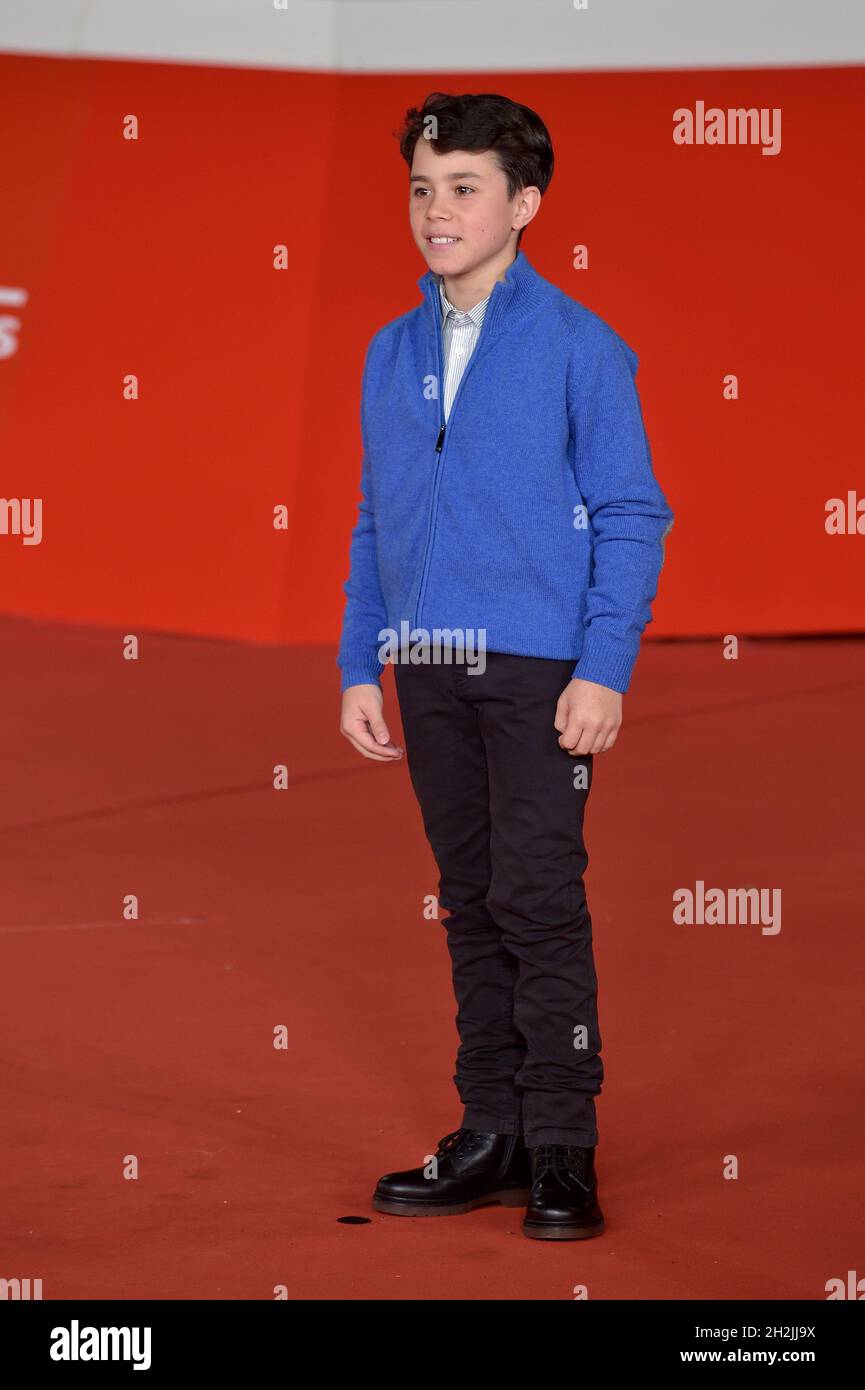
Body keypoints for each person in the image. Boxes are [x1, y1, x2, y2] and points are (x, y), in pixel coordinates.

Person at [336, 91, 674, 1240]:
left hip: (538, 668)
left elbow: (632, 513)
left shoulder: (581, 347)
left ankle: (564, 1145)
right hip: (427, 666)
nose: (437, 210)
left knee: (537, 898)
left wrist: (604, 667)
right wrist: (357, 664)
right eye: (423, 187)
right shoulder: (388, 352)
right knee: (469, 900)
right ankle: (491, 1128)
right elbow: (374, 521)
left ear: (524, 205)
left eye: (464, 187)